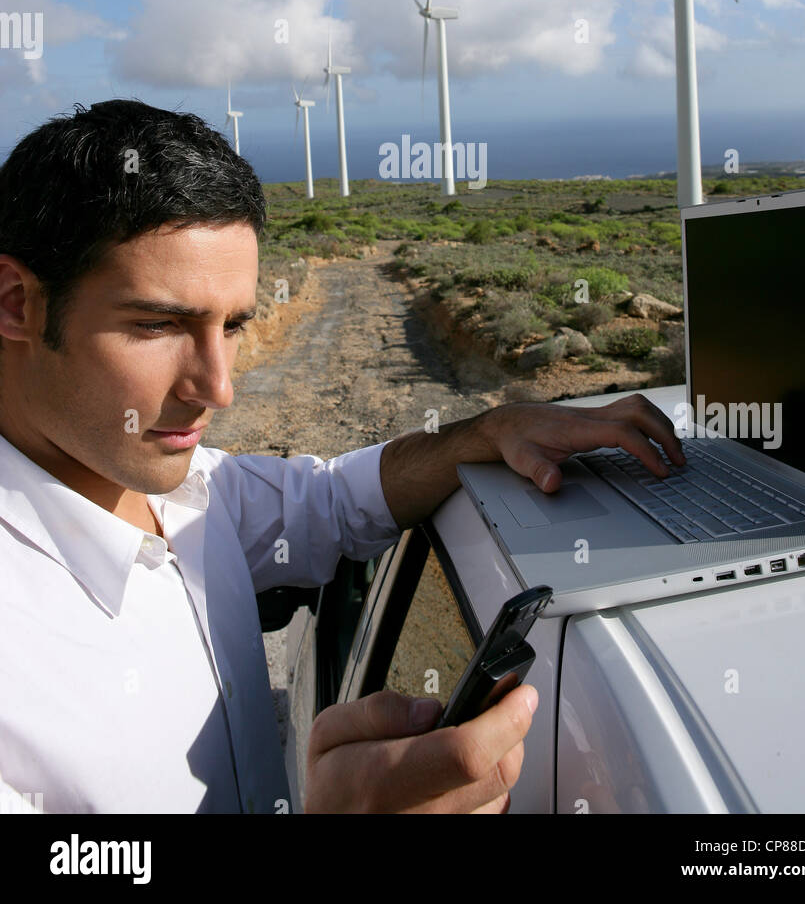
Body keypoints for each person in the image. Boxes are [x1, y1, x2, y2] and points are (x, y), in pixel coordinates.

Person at [0, 99, 684, 815]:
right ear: (17, 304)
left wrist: (487, 431)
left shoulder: (196, 491)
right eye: (159, 325)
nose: (220, 387)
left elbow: (333, 501)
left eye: (233, 325)